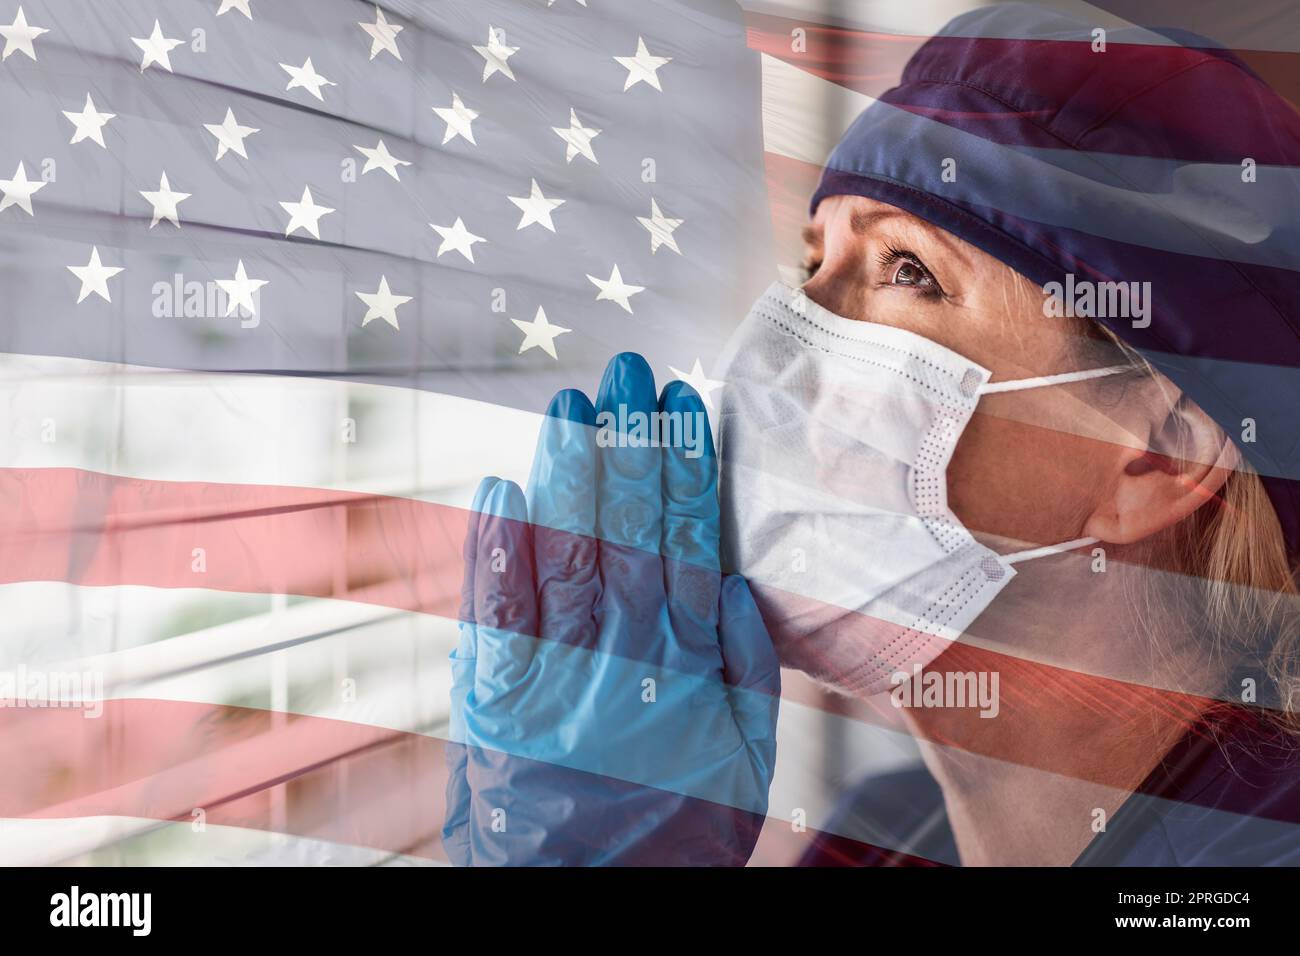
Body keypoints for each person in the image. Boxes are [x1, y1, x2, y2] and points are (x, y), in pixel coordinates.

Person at [444, 4, 1300, 866]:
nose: (767, 352)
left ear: (1158, 454)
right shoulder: (876, 842)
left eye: (907, 270)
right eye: (813, 264)